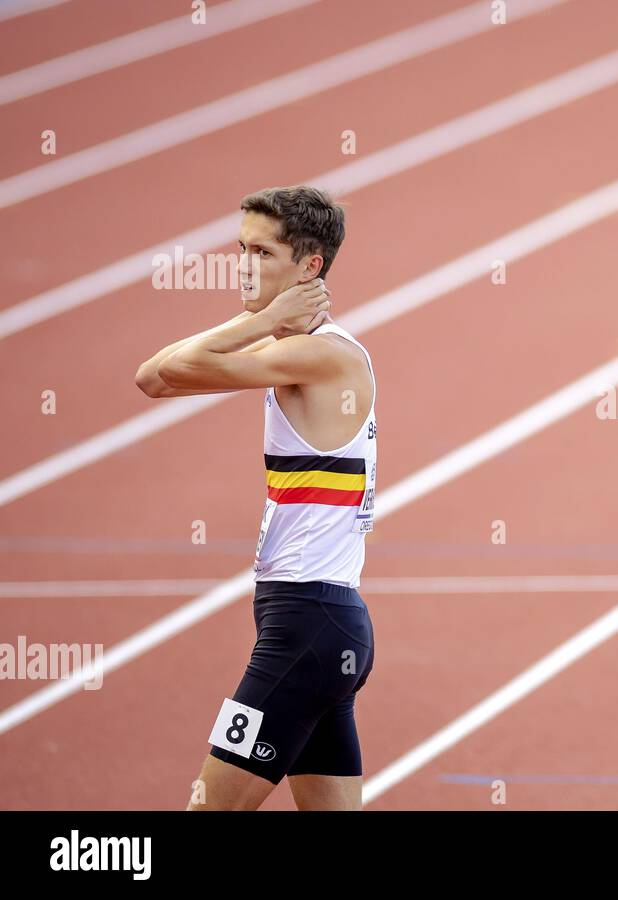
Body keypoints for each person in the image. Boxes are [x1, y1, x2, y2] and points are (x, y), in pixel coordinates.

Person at [135, 186, 377, 810]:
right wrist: (265, 321)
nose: (241, 264)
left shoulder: (322, 357)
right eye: (239, 248)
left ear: (310, 269)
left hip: (306, 628)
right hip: (320, 625)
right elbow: (159, 374)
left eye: (261, 252)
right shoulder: (295, 352)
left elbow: (165, 374)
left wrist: (263, 320)